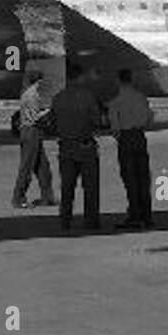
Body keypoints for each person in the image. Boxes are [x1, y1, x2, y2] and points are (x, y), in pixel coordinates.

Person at [49, 63, 103, 232]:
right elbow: (97, 121)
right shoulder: (87, 96)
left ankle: (65, 222)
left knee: (67, 188)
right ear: (80, 77)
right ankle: (91, 222)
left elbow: (52, 122)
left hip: (65, 147)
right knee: (90, 188)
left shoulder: (58, 98)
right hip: (85, 146)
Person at [108, 68, 154, 229]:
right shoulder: (141, 98)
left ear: (118, 81)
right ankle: (147, 215)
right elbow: (149, 119)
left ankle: (134, 214)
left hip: (126, 139)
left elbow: (114, 129)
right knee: (143, 177)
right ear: (131, 79)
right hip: (140, 137)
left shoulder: (115, 102)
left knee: (130, 179)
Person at [12, 69, 55, 209]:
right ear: (39, 81)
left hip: (29, 132)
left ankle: (47, 197)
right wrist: (49, 111)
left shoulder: (27, 93)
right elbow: (34, 118)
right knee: (27, 166)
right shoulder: (33, 95)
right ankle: (18, 198)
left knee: (43, 167)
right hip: (31, 131)